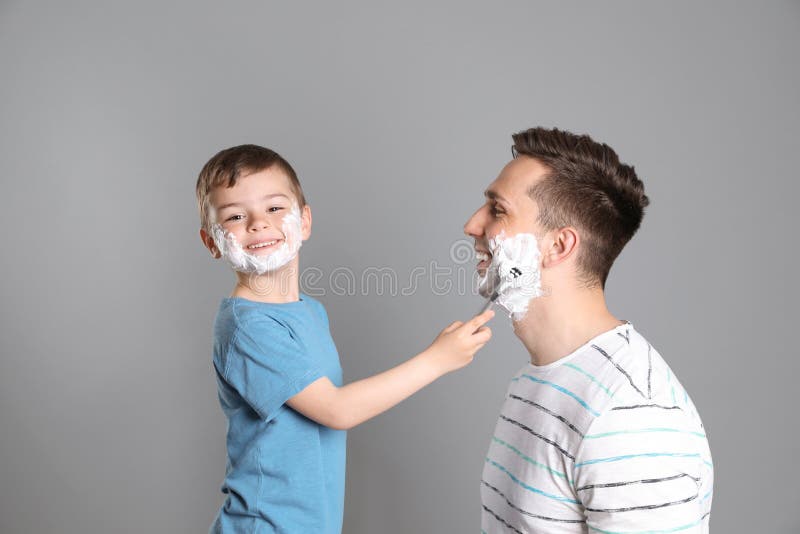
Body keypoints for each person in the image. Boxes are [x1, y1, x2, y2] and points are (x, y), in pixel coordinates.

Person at [195, 144, 493, 533]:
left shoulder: (309, 311)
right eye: (235, 216)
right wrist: (436, 360)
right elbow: (337, 411)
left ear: (304, 221)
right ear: (213, 241)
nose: (257, 223)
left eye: (273, 208)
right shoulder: (248, 327)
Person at [464, 127, 713, 533]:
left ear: (559, 246)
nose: (472, 225)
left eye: (497, 210)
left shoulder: (632, 413)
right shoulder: (538, 378)